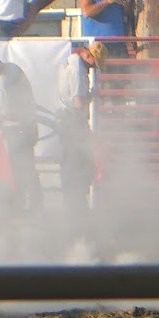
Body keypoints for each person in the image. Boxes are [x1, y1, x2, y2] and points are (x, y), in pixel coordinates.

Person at [0, 53, 39, 214]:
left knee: (17, 169)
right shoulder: (13, 68)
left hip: (15, 129)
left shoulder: (1, 83)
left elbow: (7, 112)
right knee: (29, 168)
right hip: (28, 124)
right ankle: (35, 205)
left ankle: (20, 207)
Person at [57, 43, 102, 225]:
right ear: (89, 57)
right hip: (74, 122)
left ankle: (74, 209)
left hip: (67, 121)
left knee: (72, 166)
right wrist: (93, 94)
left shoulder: (70, 62)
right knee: (80, 165)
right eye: (94, 64)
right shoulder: (78, 71)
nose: (93, 68)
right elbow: (79, 103)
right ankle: (77, 211)